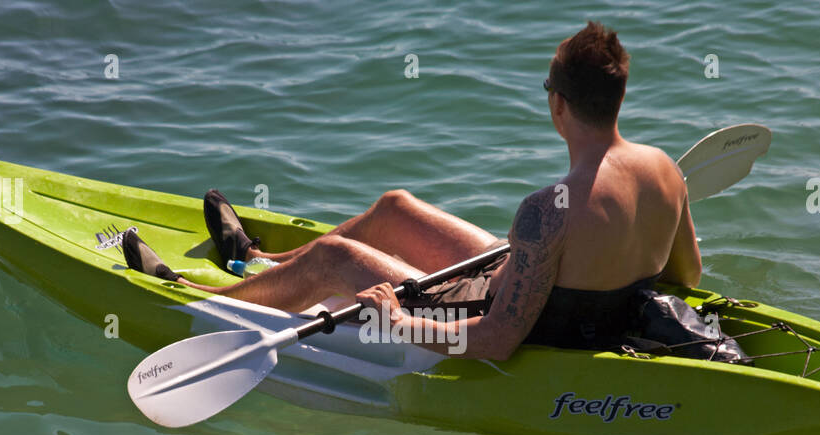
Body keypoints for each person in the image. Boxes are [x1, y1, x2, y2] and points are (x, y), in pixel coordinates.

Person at [121, 21, 700, 359]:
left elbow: (499, 339)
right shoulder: (666, 172)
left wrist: (399, 324)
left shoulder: (549, 210)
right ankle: (254, 260)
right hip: (528, 285)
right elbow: (686, 277)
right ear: (617, 97)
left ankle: (193, 293)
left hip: (504, 315)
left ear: (557, 103)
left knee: (335, 257)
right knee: (395, 209)